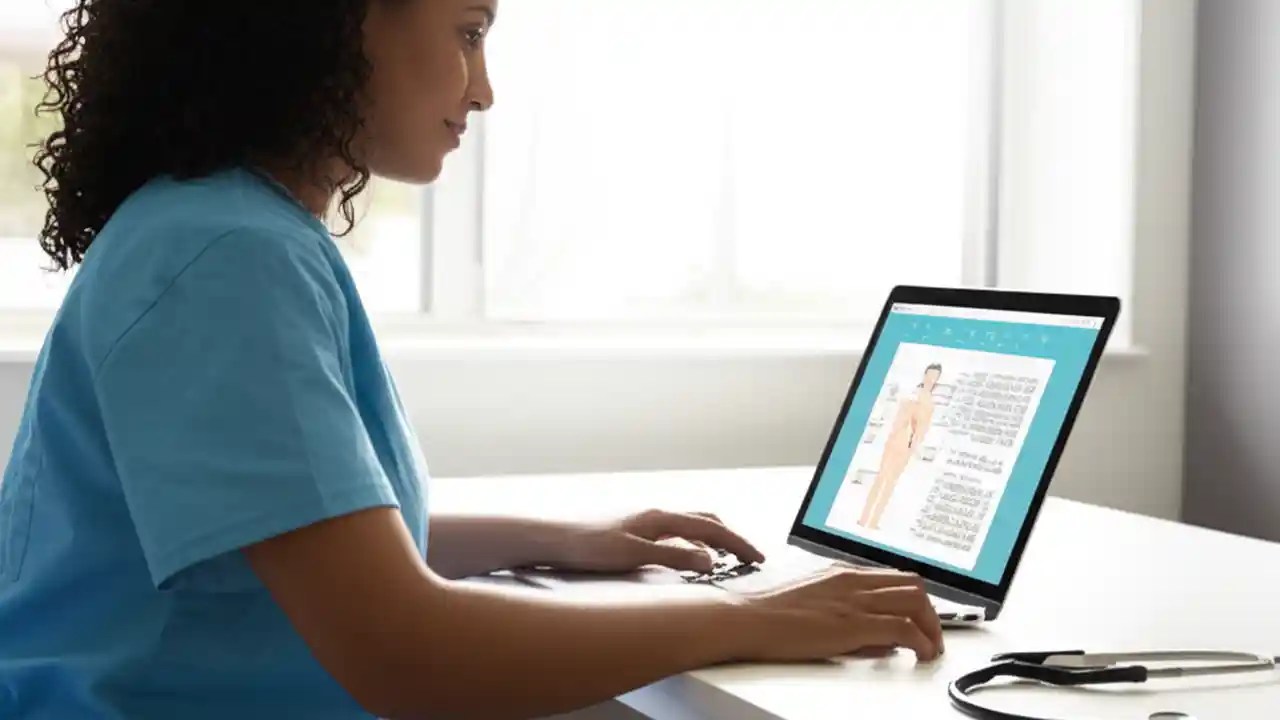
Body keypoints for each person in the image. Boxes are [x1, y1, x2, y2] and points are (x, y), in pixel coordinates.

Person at [0, 2, 944, 718]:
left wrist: (566, 539)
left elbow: (305, 547)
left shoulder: (214, 228)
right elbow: (404, 652)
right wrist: (755, 618)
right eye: (467, 32)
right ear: (337, 23)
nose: (483, 89)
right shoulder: (228, 258)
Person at [859, 363, 942, 530]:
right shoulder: (915, 395)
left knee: (889, 481)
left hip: (907, 444)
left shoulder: (928, 401)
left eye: (935, 377)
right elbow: (903, 419)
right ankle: (865, 518)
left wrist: (915, 444)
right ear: (924, 375)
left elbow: (922, 427)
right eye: (929, 375)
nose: (931, 379)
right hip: (898, 440)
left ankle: (873, 520)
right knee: (882, 478)